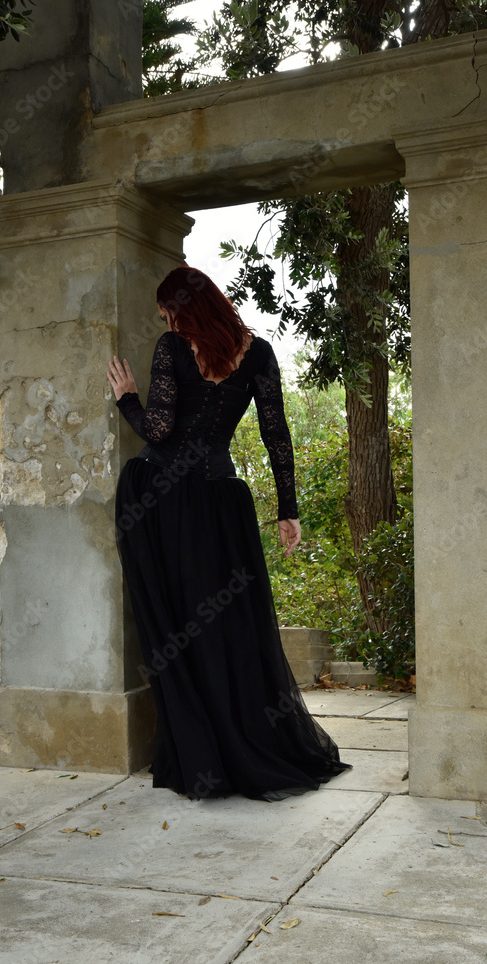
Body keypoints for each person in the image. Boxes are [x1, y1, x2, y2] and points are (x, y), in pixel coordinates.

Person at [107, 264, 351, 802]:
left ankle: (201, 752)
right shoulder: (258, 353)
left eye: (168, 312)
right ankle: (246, 743)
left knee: (175, 628)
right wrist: (289, 510)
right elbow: (276, 434)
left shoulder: (172, 348)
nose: (166, 321)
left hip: (163, 499)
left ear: (181, 310)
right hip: (223, 502)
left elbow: (160, 430)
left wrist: (126, 398)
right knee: (230, 626)